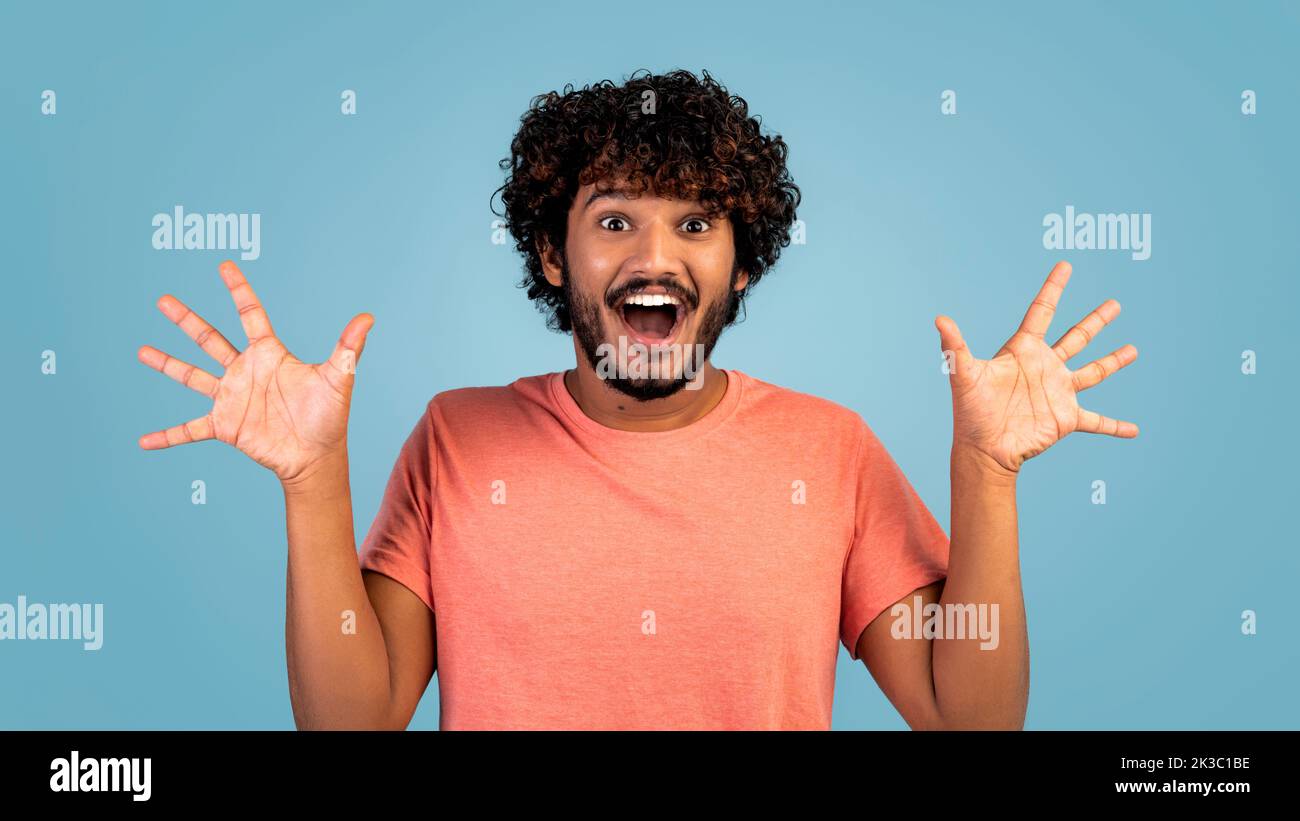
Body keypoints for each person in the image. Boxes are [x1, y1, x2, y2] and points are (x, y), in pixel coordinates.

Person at [135, 69, 1138, 730]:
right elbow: (351, 720)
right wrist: (312, 479)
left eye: (696, 222)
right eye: (613, 219)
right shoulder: (456, 436)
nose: (654, 257)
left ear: (740, 265)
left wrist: (986, 471)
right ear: (548, 252)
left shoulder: (829, 450)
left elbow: (969, 718)